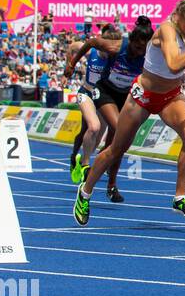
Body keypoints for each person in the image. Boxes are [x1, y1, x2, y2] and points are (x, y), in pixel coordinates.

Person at [73, 0, 185, 225]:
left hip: (170, 96)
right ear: (177, 17)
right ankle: (85, 191)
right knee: (116, 149)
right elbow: (174, 64)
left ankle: (180, 197)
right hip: (144, 96)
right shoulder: (167, 30)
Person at [64, 16, 155, 203]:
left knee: (118, 145)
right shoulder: (115, 46)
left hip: (125, 96)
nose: (139, 52)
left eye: (143, 49)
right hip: (104, 91)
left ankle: (111, 185)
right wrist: (72, 64)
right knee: (115, 132)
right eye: (137, 48)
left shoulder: (149, 55)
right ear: (132, 41)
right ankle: (89, 167)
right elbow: (89, 42)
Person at [64, 23, 122, 192]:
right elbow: (73, 46)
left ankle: (84, 160)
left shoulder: (116, 58)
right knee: (93, 127)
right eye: (106, 51)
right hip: (86, 93)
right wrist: (70, 65)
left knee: (95, 139)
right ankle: (85, 165)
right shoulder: (92, 52)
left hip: (102, 98)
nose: (108, 54)